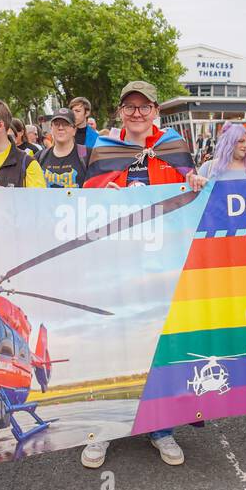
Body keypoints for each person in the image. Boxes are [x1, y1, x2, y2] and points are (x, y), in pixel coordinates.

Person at [80, 80, 208, 468]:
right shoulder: (105, 149)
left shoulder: (173, 147)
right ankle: (104, 428)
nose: (137, 113)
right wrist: (103, 196)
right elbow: (86, 198)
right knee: (113, 343)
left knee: (158, 342)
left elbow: (189, 195)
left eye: (144, 107)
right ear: (120, 111)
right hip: (116, 261)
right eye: (130, 107)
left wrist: (196, 183)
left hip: (161, 263)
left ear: (155, 111)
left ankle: (161, 426)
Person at [37, 108, 89, 188]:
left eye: (66, 124)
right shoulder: (40, 156)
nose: (61, 128)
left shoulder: (85, 154)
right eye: (56, 124)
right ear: (51, 128)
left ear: (74, 130)